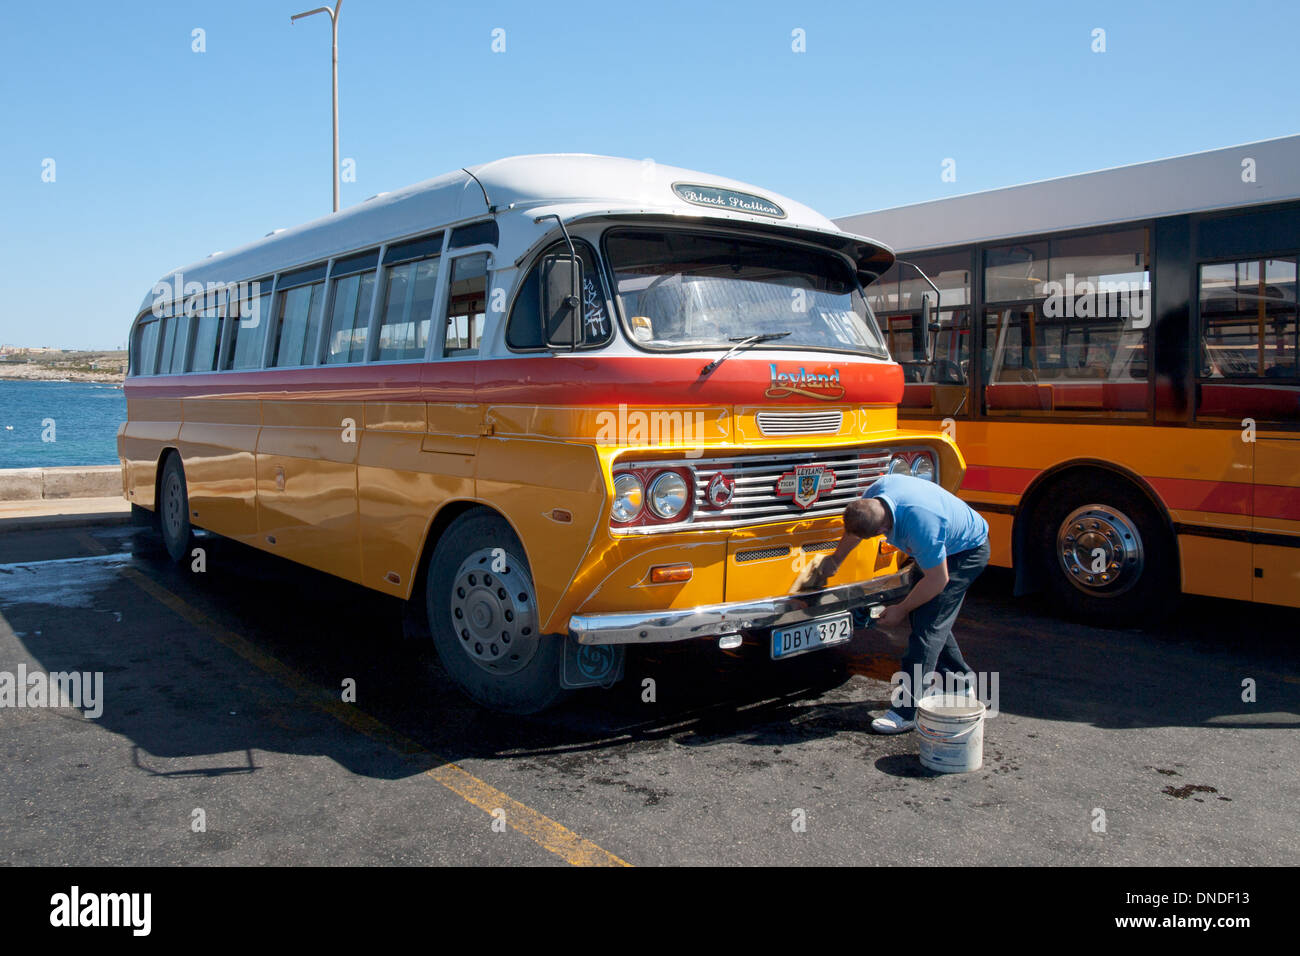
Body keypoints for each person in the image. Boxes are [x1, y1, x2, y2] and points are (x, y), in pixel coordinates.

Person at [812, 473, 990, 734]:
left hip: (966, 553)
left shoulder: (921, 526)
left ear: (882, 531)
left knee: (927, 631)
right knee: (928, 617)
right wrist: (836, 559)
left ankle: (906, 712)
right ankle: (959, 683)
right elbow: (855, 531)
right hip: (941, 549)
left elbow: (938, 580)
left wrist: (900, 609)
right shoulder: (875, 497)